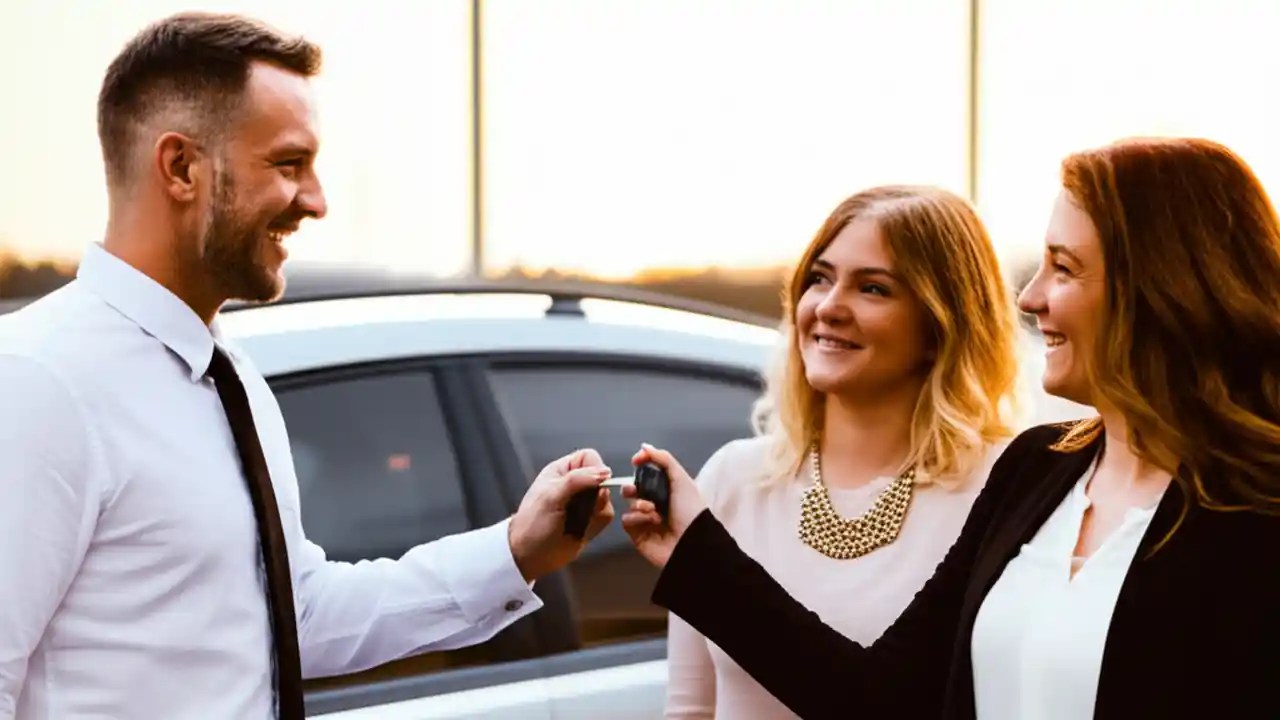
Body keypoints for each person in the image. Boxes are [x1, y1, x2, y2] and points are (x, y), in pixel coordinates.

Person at [0, 13, 615, 720]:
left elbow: (297, 617)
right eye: (288, 165)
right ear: (181, 168)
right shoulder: (38, 383)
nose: (316, 201)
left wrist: (514, 552)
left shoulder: (231, 378)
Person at [622, 137, 1280, 720]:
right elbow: (879, 698)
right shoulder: (1038, 469)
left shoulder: (1254, 511)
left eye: (1065, 268)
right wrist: (699, 555)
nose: (1031, 298)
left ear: (1163, 289)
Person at [663, 186, 1020, 719]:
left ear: (940, 326)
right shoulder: (730, 479)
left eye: (873, 289)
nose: (829, 308)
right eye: (819, 279)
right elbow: (690, 711)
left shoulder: (1004, 486)